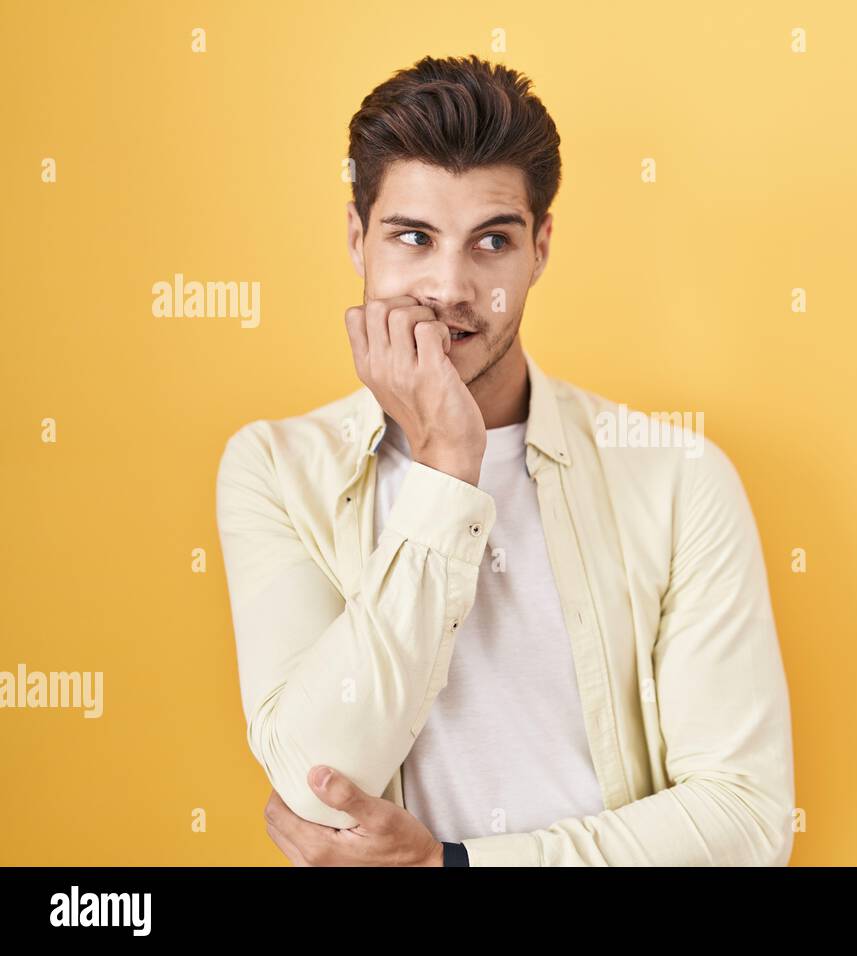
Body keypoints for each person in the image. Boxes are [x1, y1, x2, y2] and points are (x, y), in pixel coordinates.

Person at [215, 53, 795, 866]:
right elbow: (320, 783)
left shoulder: (677, 476)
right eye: (413, 237)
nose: (450, 287)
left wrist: (452, 865)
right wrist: (448, 465)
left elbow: (746, 821)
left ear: (541, 249)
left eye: (491, 241)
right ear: (358, 239)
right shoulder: (277, 470)